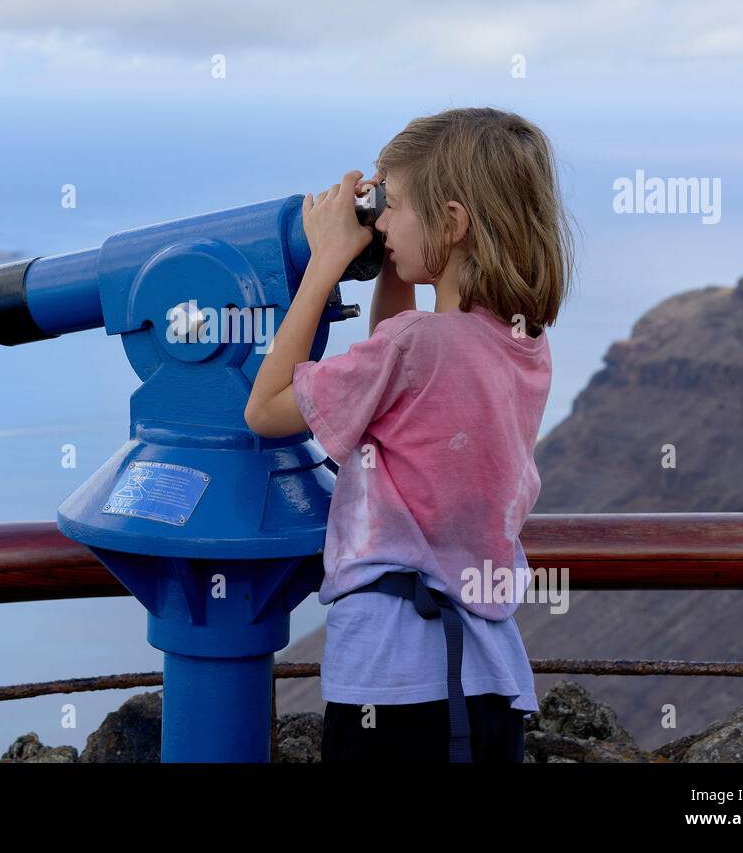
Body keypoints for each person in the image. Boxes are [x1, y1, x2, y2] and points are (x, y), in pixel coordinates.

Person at [244, 107, 576, 763]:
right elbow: (395, 384)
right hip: (488, 683)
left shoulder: (415, 344)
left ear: (452, 224)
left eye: (389, 206)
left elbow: (267, 408)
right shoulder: (524, 346)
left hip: (390, 680)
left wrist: (326, 263)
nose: (381, 221)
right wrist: (394, 266)